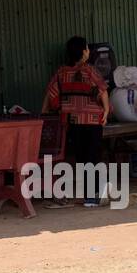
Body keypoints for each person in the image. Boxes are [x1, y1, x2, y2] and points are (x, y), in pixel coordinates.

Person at [42, 36, 110, 206]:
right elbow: (103, 91)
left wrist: (44, 113)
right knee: (92, 157)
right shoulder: (90, 70)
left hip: (72, 122)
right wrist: (107, 111)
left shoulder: (61, 72)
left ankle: (85, 194)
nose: (88, 51)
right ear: (83, 52)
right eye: (87, 48)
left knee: (80, 157)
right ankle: (92, 196)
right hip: (93, 121)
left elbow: (51, 94)